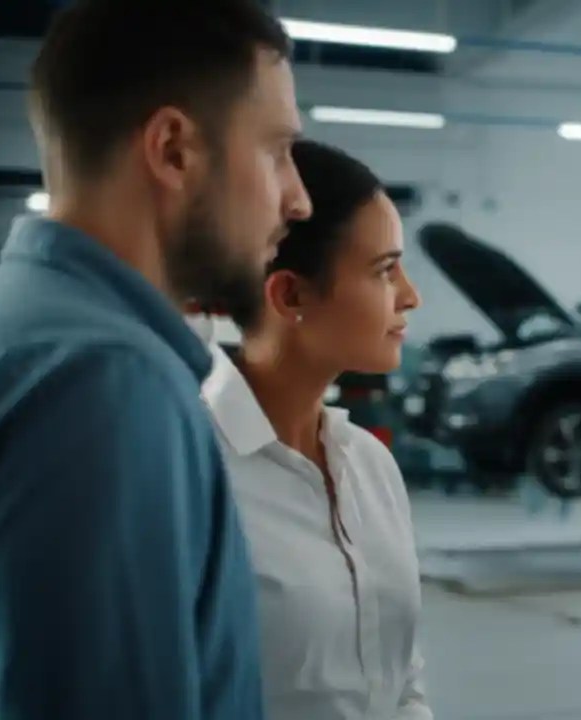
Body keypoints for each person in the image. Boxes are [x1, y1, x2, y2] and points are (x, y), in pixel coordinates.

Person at [0, 1, 311, 718]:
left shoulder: (9, 322)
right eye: (277, 150)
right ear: (172, 151)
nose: (299, 199)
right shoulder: (108, 383)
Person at [201, 139, 431, 720]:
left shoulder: (370, 466)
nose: (411, 296)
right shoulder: (195, 472)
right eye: (385, 270)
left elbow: (402, 681)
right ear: (291, 294)